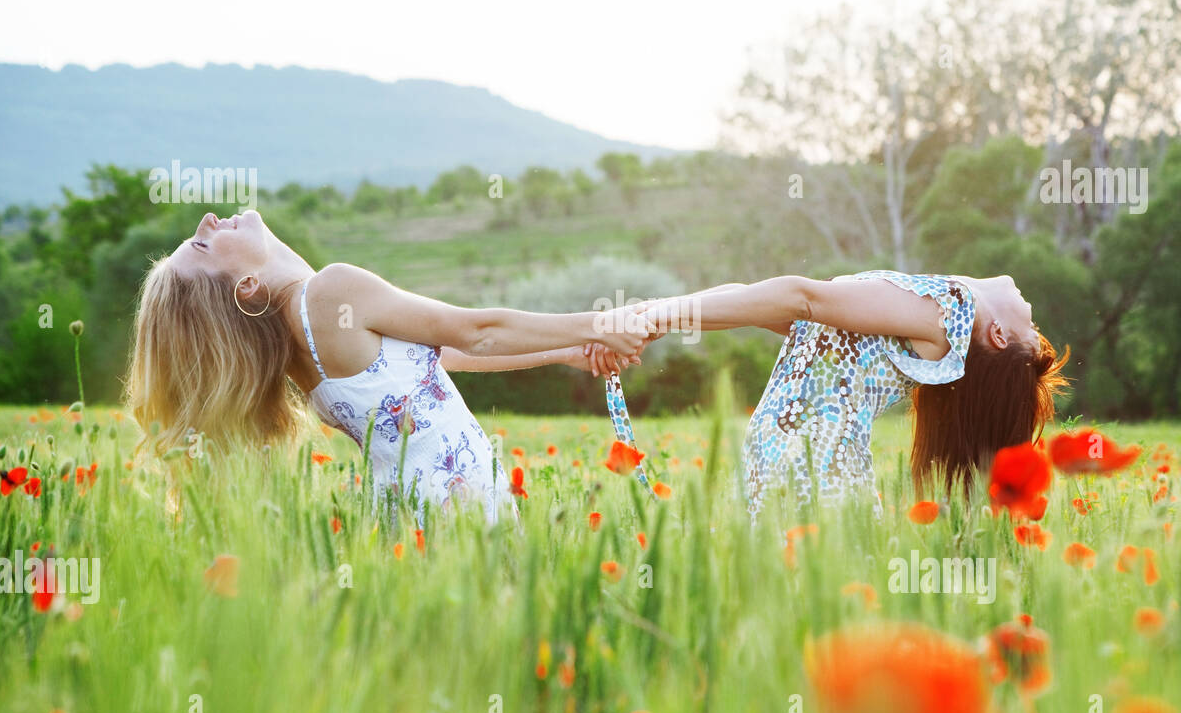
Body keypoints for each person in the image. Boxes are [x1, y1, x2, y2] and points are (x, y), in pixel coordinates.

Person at [125, 209, 651, 525]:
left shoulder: (295, 339)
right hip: (458, 507)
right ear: (245, 288)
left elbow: (438, 358)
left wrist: (566, 352)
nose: (207, 221)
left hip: (414, 513)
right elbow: (476, 331)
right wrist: (599, 325)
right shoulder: (330, 292)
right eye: (202, 244)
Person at [633, 270, 1069, 521]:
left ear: (997, 335)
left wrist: (653, 317)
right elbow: (761, 301)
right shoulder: (932, 311)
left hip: (808, 460)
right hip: (800, 456)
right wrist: (641, 319)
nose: (1035, 321)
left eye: (1031, 333)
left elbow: (799, 298)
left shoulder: (952, 310)